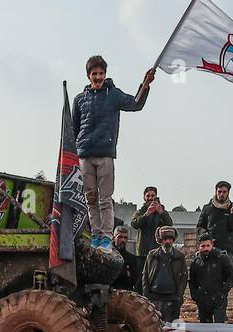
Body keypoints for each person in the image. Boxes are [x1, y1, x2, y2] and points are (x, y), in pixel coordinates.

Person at [72, 56, 154, 248]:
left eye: (101, 73)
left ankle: (107, 236)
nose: (98, 77)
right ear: (88, 76)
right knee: (90, 198)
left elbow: (135, 104)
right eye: (94, 74)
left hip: (105, 153)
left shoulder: (113, 95)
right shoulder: (80, 99)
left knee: (104, 199)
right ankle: (96, 234)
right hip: (84, 154)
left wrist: (145, 85)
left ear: (105, 74)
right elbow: (73, 129)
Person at [188, 231, 233, 324]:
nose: (206, 248)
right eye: (203, 246)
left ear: (212, 245)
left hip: (219, 299)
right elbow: (192, 281)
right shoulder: (196, 262)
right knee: (205, 329)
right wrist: (195, 295)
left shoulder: (222, 258)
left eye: (208, 246)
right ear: (199, 247)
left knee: (219, 327)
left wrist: (223, 291)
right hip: (203, 300)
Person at [142, 224, 187, 323]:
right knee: (154, 327)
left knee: (171, 330)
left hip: (172, 298)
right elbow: (145, 275)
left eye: (170, 239)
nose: (167, 241)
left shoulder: (179, 256)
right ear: (160, 240)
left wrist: (179, 295)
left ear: (173, 240)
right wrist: (146, 295)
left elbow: (184, 277)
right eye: (165, 238)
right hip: (155, 298)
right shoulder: (152, 255)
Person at [130, 186, 172, 257]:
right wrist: (146, 214)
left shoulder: (162, 212)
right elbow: (134, 224)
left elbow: (169, 225)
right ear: (144, 198)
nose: (150, 198)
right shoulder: (140, 212)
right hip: (142, 252)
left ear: (156, 196)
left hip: (158, 251)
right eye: (148, 196)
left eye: (152, 196)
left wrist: (161, 213)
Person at [196, 181, 233, 252]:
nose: (221, 194)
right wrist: (206, 235)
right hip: (210, 249)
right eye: (219, 191)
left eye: (224, 192)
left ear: (228, 193)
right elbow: (199, 227)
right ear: (216, 192)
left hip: (227, 250)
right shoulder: (207, 208)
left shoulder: (232, 209)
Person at [111, 226, 141, 292]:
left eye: (125, 237)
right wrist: (125, 273)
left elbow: (134, 279)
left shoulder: (131, 258)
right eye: (120, 237)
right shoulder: (108, 255)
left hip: (126, 293)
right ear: (114, 238)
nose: (123, 240)